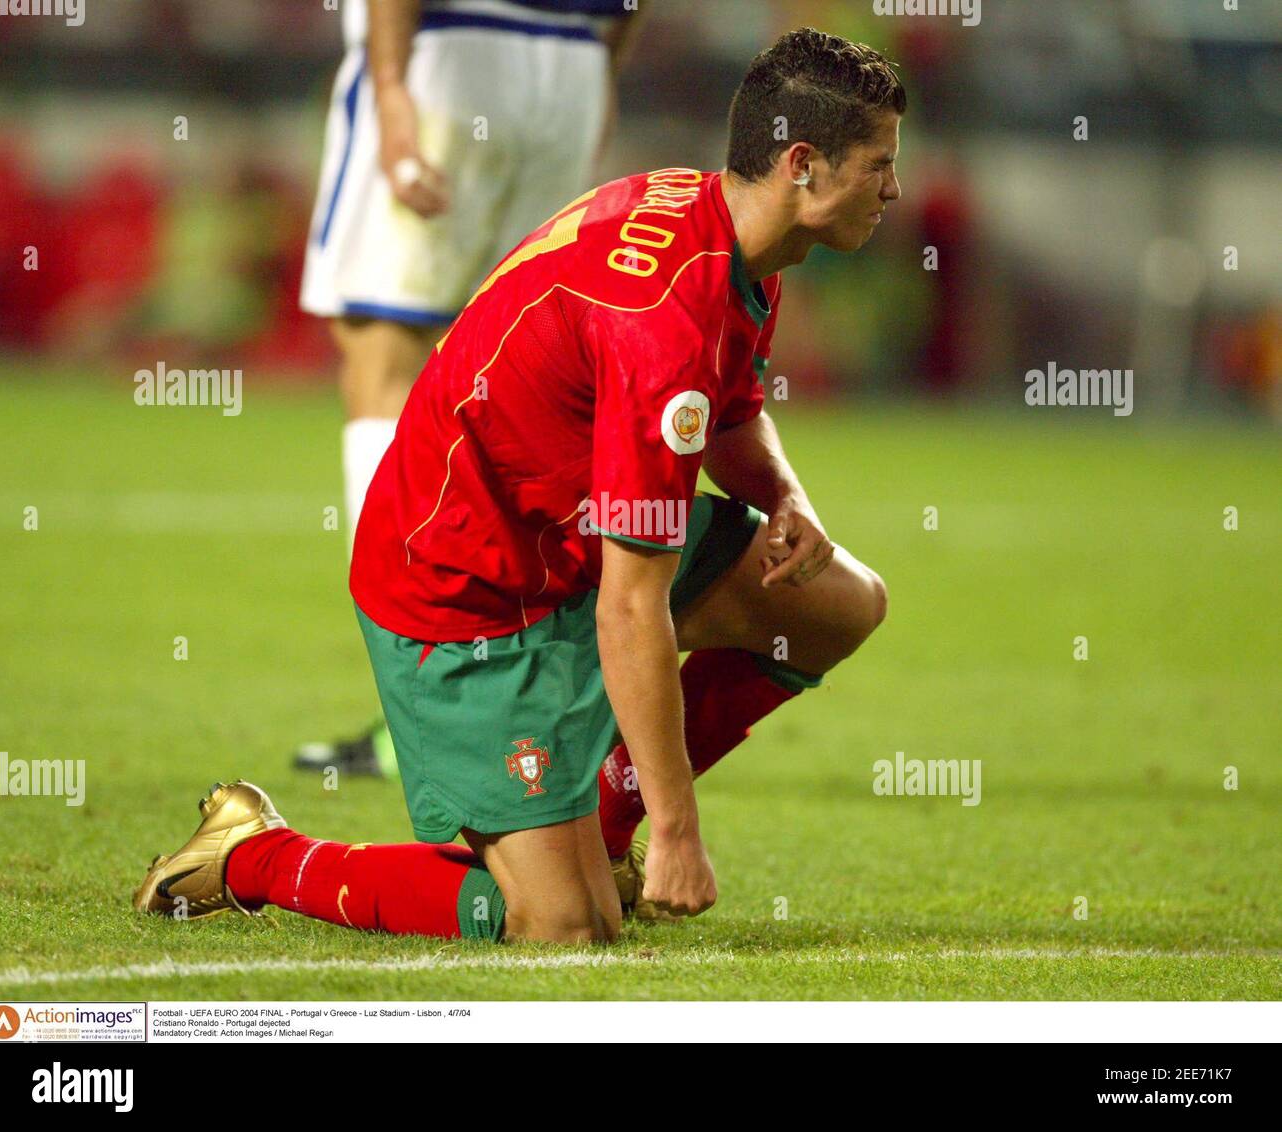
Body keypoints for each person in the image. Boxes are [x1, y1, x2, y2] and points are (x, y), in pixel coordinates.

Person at [136, 28, 903, 942]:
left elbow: (730, 410)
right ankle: (249, 854)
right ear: (803, 166)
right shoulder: (662, 318)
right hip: (466, 596)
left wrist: (785, 498)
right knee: (565, 928)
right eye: (879, 165)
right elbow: (631, 609)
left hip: (562, 553)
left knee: (838, 605)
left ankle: (600, 831)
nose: (894, 190)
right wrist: (679, 830)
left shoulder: (732, 237)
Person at [294, 0, 647, 778]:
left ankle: (424, 702)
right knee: (522, 377)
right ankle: (550, 701)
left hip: (447, 57)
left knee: (384, 360)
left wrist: (390, 91)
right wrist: (600, 77)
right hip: (574, 68)